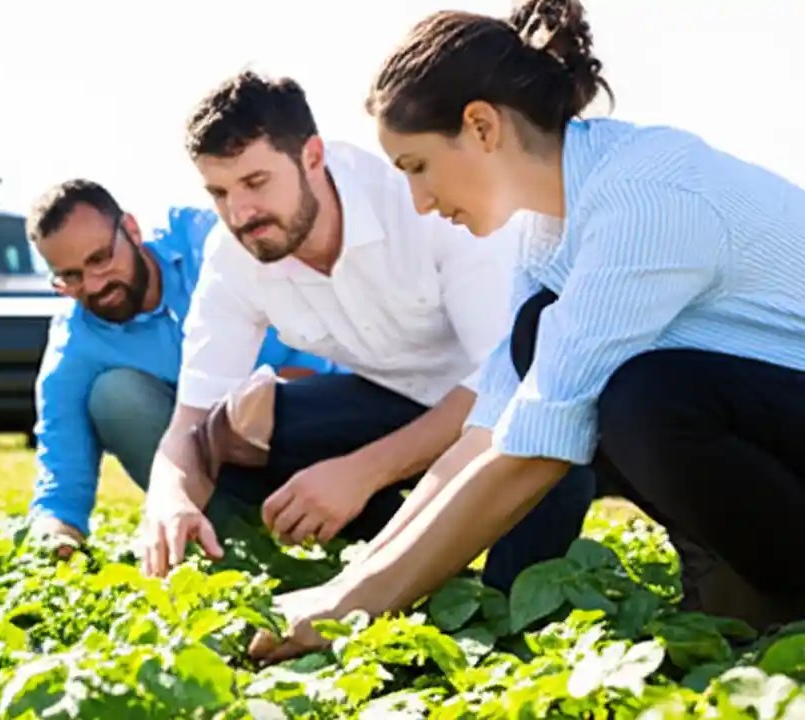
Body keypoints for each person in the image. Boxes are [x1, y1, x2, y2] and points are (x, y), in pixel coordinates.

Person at [246, 0, 805, 663]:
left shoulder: (647, 198)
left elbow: (538, 447)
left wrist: (354, 609)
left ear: (481, 126)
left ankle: (774, 582)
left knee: (647, 396)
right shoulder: (545, 231)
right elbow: (490, 431)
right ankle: (748, 578)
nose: (419, 203)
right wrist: (347, 585)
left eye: (417, 167)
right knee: (541, 338)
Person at [138, 69, 597, 593]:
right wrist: (168, 500)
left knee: (541, 456)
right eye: (219, 192)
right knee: (236, 433)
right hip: (390, 404)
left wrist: (362, 472)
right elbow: (190, 423)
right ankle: (386, 561)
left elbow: (502, 383)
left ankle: (482, 595)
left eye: (255, 182)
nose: (239, 213)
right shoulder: (232, 255)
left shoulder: (424, 199)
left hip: (501, 404)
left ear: (312, 156)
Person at [24, 179, 337, 547]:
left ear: (131, 229)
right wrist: (56, 537)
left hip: (321, 421)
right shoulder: (75, 343)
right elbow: (61, 480)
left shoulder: (205, 243)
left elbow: (320, 329)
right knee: (114, 394)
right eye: (70, 276)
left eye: (100, 259)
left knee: (267, 400)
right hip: (209, 466)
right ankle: (230, 542)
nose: (93, 286)